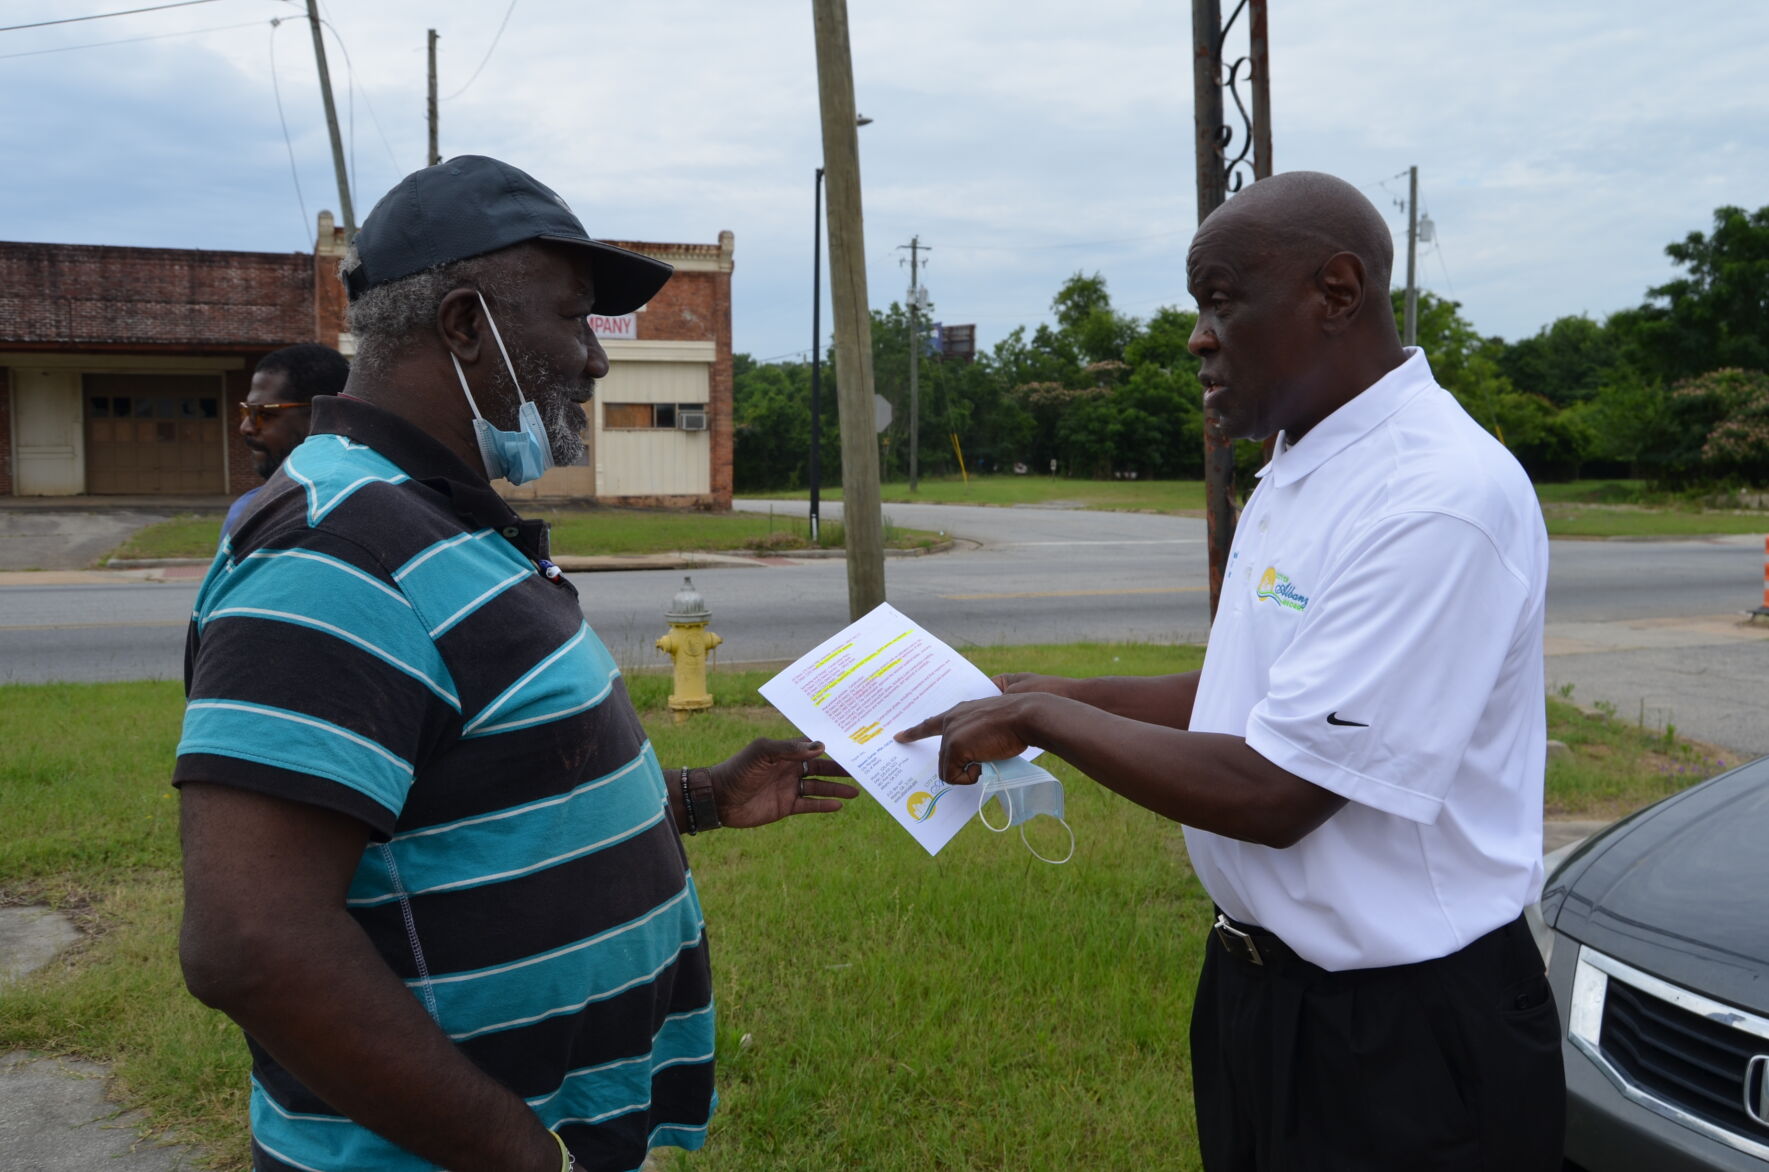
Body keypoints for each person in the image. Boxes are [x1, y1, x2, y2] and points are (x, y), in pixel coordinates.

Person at [174, 155, 859, 1172]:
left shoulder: (433, 516)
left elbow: (470, 788)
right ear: (462, 324)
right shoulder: (333, 551)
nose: (594, 358)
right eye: (571, 317)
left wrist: (698, 796)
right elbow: (249, 938)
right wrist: (521, 1154)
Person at [898, 171, 1563, 1171]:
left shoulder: (1434, 497)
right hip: (1262, 995)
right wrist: (1053, 691)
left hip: (1404, 1032)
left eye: (1219, 302)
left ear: (1334, 294)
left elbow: (1278, 787)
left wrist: (1041, 719)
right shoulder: (1303, 461)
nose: (1196, 337)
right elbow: (1247, 702)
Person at [224, 343, 349, 535]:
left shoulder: (253, 519)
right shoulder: (247, 513)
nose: (245, 427)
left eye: (263, 413)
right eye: (246, 411)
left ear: (319, 416)